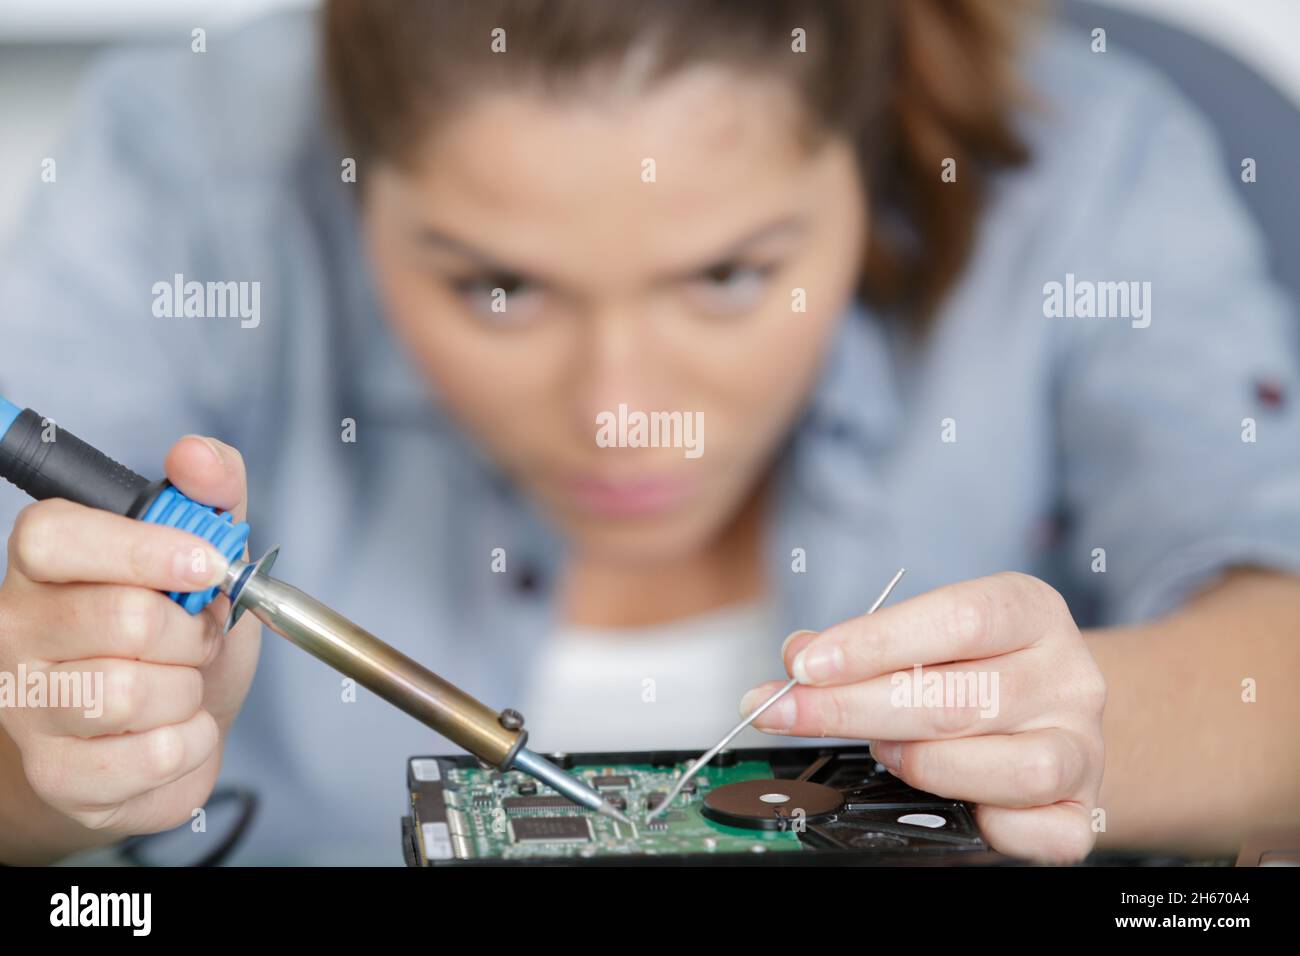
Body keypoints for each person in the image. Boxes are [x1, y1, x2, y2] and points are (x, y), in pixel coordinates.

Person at [0, 0, 1297, 866]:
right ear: (359, 185)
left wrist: (1079, 727)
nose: (621, 415)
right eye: (497, 288)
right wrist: (59, 743)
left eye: (729, 276)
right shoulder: (190, 167)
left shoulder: (1079, 163)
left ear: (865, 162)